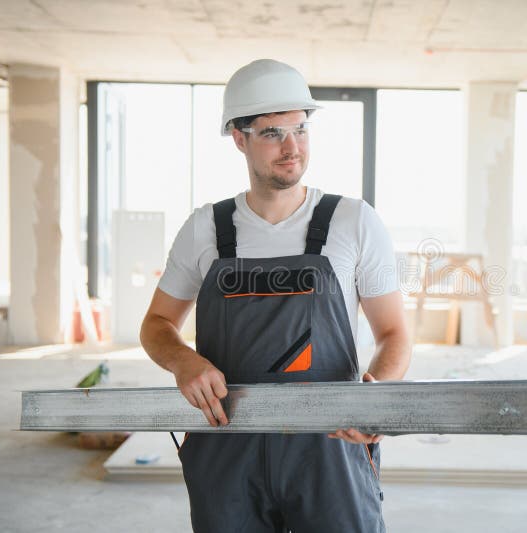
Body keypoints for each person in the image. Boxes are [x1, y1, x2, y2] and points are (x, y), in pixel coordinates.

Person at [140, 58, 411, 533]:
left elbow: (394, 333)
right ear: (238, 138)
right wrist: (183, 361)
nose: (292, 148)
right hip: (227, 444)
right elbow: (156, 324)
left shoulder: (353, 222)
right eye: (272, 133)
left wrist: (377, 395)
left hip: (329, 444)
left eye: (301, 129)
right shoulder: (206, 228)